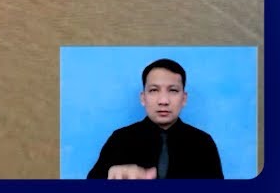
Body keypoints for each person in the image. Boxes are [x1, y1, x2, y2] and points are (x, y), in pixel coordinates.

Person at [86, 58, 224, 179]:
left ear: (184, 99)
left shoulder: (203, 143)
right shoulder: (119, 139)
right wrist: (109, 177)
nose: (163, 100)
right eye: (153, 90)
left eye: (173, 90)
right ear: (143, 98)